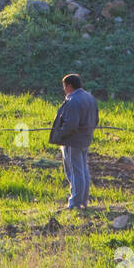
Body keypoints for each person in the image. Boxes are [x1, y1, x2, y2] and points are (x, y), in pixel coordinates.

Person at [49, 73, 98, 211]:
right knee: (83, 170)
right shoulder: (89, 97)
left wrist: (59, 134)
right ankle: (82, 201)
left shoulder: (73, 101)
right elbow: (96, 120)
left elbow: (70, 125)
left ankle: (75, 203)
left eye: (64, 87)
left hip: (72, 142)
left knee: (75, 172)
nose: (64, 90)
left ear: (69, 86)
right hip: (85, 139)